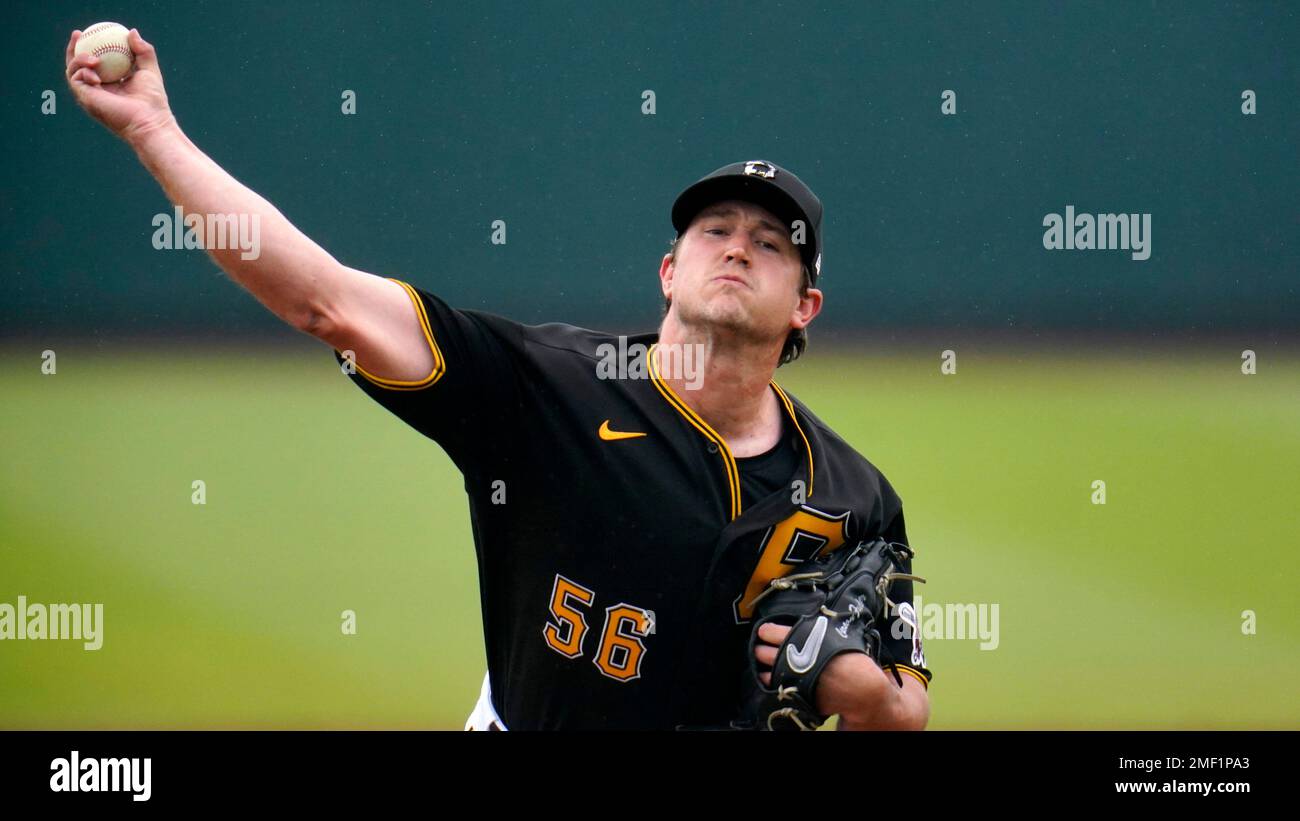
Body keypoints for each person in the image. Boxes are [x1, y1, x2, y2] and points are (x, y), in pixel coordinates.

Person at [66, 28, 932, 731]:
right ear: (668, 271)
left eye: (771, 241)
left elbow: (906, 708)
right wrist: (155, 132)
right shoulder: (547, 388)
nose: (739, 244)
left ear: (805, 306)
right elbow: (326, 301)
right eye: (715, 229)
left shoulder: (853, 494)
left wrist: (862, 693)